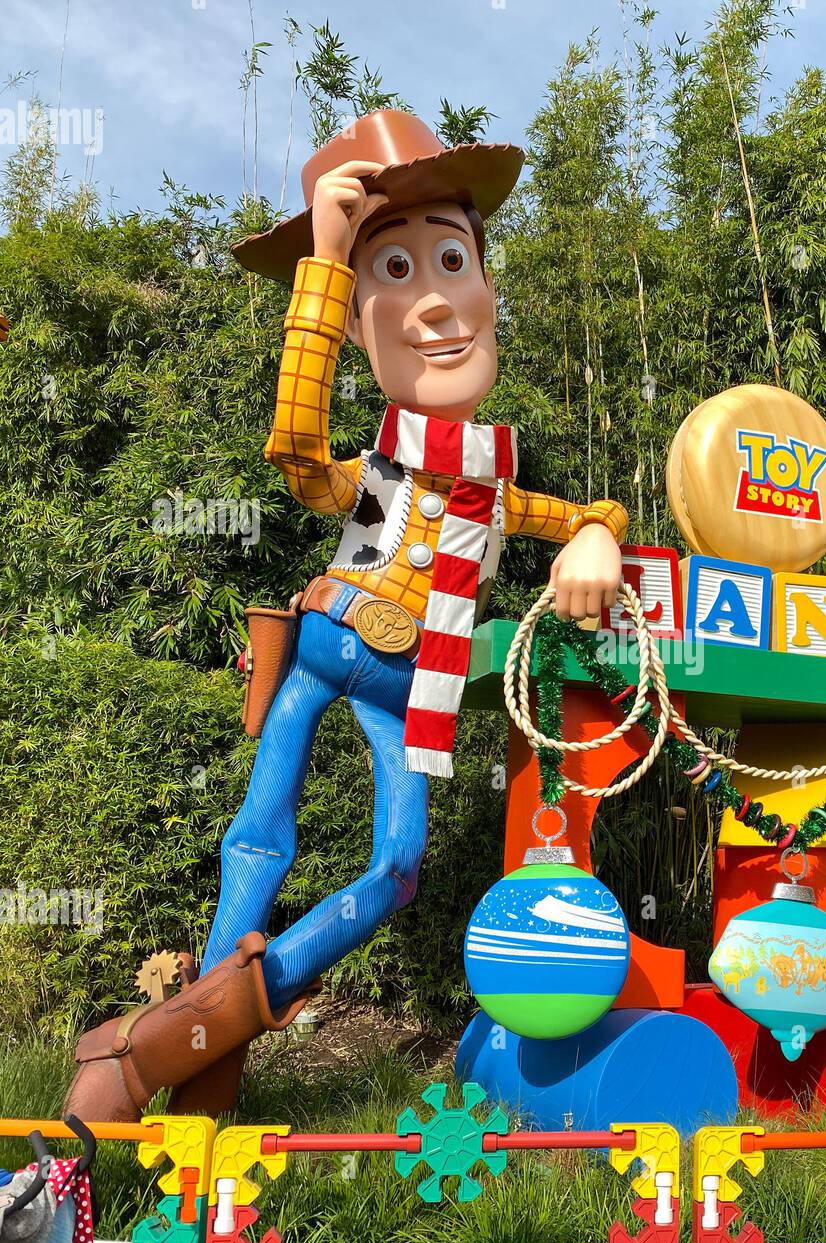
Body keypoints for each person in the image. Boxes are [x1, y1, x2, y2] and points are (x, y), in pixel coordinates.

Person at [65, 110, 629, 1123]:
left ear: (487, 288)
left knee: (399, 871)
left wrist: (598, 534)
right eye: (393, 271)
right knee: (257, 838)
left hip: (413, 692)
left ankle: (164, 1041)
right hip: (329, 648)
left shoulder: (496, 489)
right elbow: (291, 445)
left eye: (449, 259)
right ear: (363, 314)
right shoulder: (375, 463)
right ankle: (196, 1102)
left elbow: (585, 514)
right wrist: (325, 260)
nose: (430, 303)